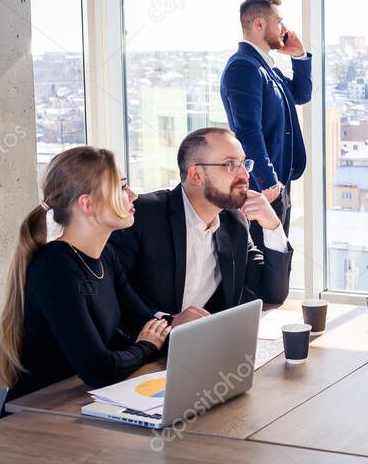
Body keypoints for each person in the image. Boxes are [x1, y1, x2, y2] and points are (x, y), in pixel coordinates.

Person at [0, 147, 175, 410]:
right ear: (87, 204)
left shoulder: (105, 256)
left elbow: (146, 324)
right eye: (122, 187)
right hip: (37, 416)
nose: (133, 195)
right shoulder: (56, 268)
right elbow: (99, 369)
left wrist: (183, 338)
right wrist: (146, 346)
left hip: (78, 402)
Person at [108, 127, 292, 323]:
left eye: (243, 163)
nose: (245, 175)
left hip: (207, 337)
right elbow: (112, 295)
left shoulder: (234, 222)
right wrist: (167, 321)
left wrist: (272, 226)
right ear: (196, 175)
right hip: (146, 339)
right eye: (230, 164)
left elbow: (272, 293)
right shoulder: (143, 214)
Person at [220, 0, 312, 246]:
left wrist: (299, 56)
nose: (284, 29)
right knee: (268, 260)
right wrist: (268, 181)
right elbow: (247, 131)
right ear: (259, 23)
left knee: (279, 256)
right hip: (263, 188)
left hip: (277, 184)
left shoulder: (266, 68)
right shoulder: (243, 67)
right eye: (279, 21)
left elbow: (301, 94)